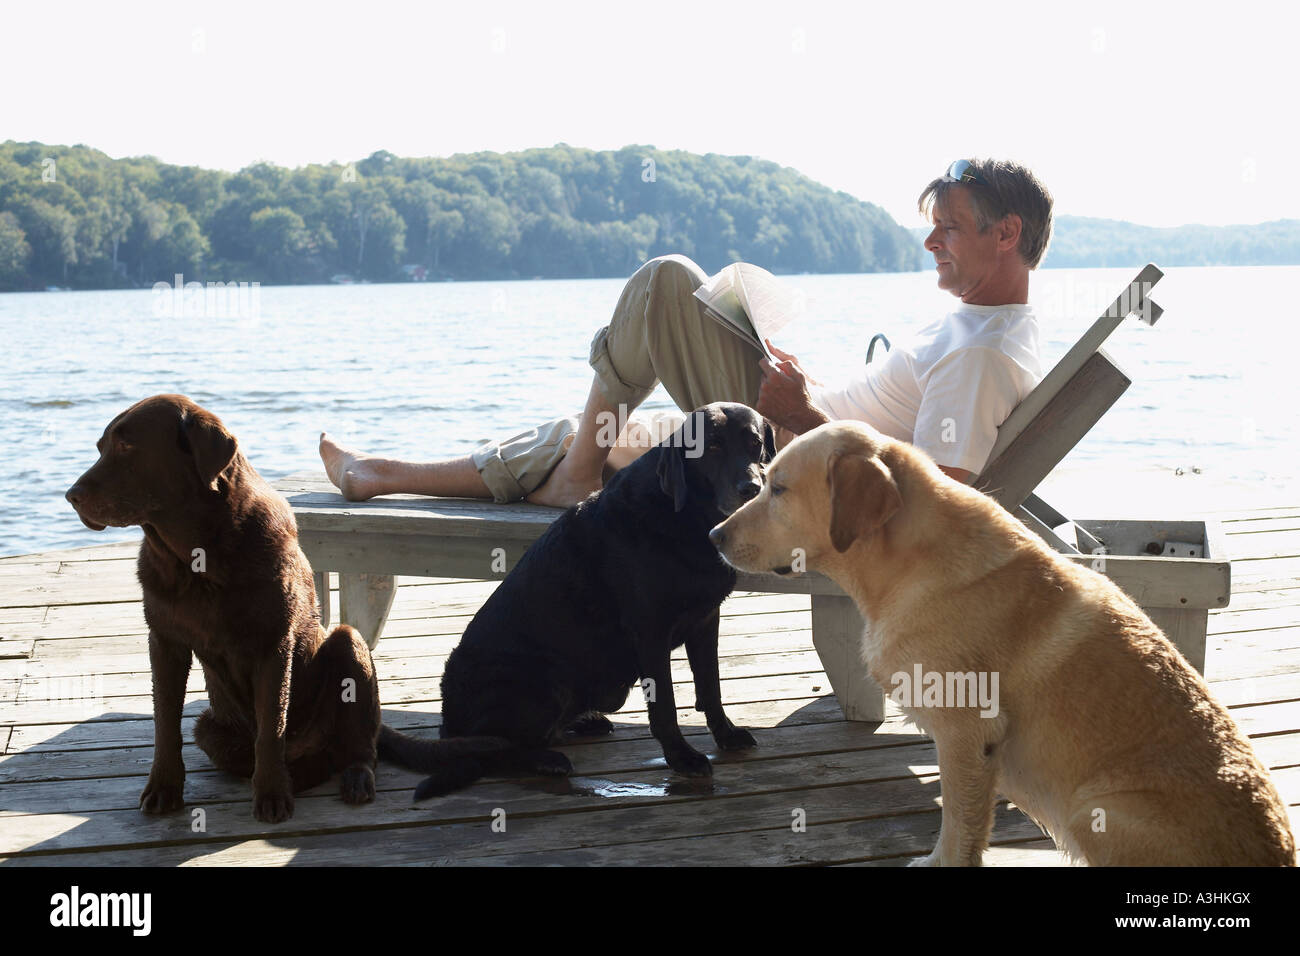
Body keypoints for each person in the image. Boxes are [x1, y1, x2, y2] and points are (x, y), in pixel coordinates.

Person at [320, 158, 1053, 507]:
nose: (932, 245)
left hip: (798, 466)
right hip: (799, 428)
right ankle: (381, 476)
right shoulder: (983, 325)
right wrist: (808, 394)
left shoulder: (981, 354)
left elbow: (932, 503)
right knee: (599, 440)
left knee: (667, 282)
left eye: (948, 230)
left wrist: (799, 411)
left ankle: (573, 475)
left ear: (1006, 234)